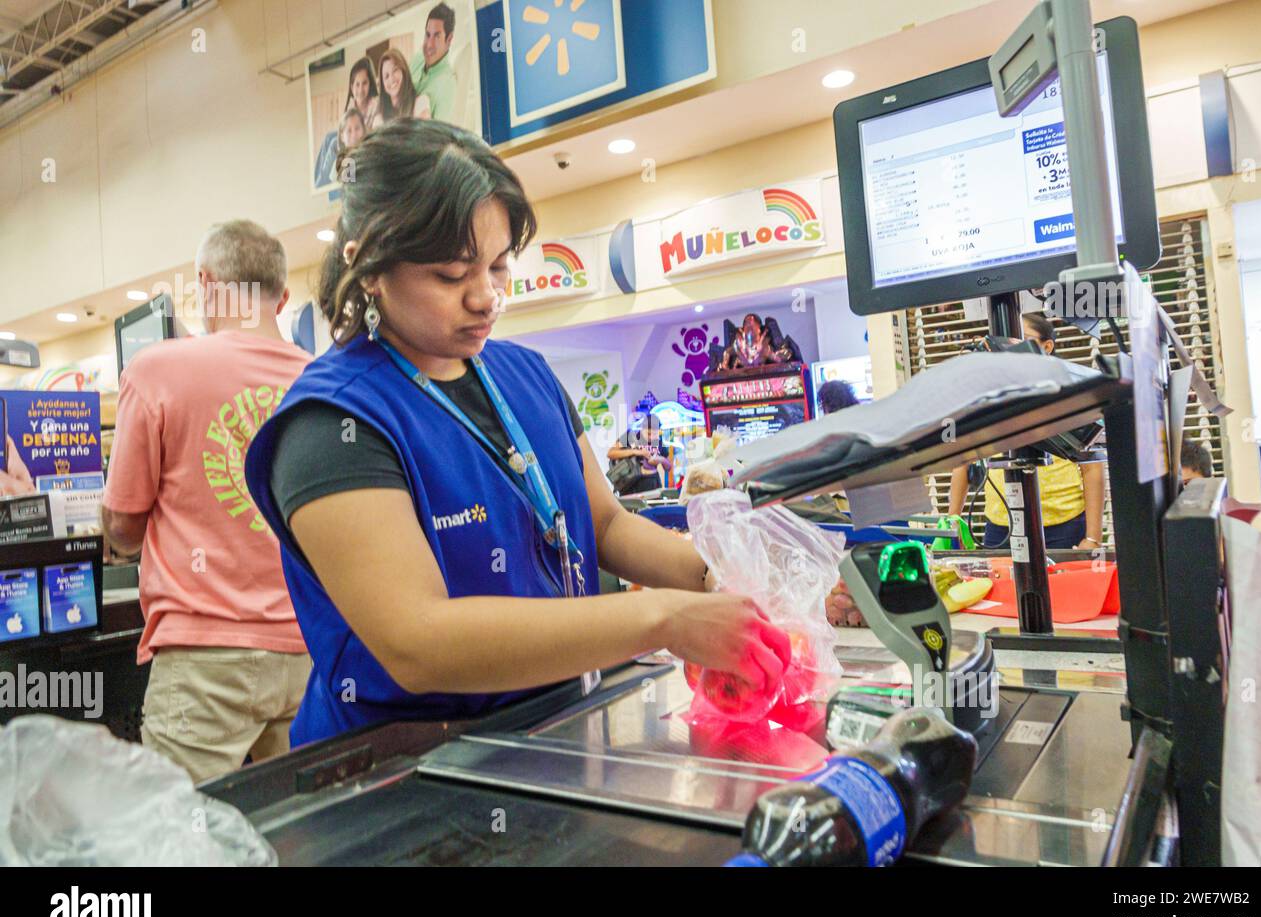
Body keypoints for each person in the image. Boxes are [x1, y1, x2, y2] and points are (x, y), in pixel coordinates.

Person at [242, 119, 789, 746]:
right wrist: (662, 617)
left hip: (555, 730)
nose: (485, 298)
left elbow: (603, 525)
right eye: (451, 275)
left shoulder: (523, 374)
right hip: (402, 771)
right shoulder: (330, 424)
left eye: (499, 268)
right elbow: (418, 642)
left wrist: (721, 581)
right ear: (368, 268)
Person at [101, 220, 313, 783]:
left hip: (203, 657)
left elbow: (122, 527)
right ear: (283, 297)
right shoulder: (323, 380)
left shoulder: (157, 370)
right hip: (312, 647)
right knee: (305, 827)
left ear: (205, 283)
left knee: (176, 835)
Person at [947, 312, 1106, 551]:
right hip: (1000, 525)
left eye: (1022, 340)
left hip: (1063, 524)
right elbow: (964, 459)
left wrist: (1092, 538)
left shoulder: (1070, 393)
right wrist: (953, 522)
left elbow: (1092, 467)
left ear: (1047, 346)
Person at [409, 3, 458, 123]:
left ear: (449, 39)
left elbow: (439, 136)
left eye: (437, 36)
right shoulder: (418, 59)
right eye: (427, 34)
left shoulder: (447, 84)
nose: (429, 45)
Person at [607, 413, 671, 495]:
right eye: (648, 434)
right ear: (642, 428)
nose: (651, 437)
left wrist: (661, 460)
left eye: (654, 434)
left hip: (653, 485)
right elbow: (611, 453)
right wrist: (636, 452)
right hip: (631, 484)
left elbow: (668, 467)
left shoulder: (659, 442)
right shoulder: (630, 436)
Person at [375, 49, 431, 127]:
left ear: (404, 70)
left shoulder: (421, 103)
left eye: (395, 70)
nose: (391, 79)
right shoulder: (379, 120)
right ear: (382, 85)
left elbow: (424, 137)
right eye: (386, 76)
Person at [345, 57, 381, 132]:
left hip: (367, 141)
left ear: (370, 84)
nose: (360, 90)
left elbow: (376, 133)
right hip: (353, 140)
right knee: (329, 138)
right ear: (352, 87)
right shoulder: (351, 106)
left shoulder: (376, 104)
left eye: (364, 83)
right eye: (357, 84)